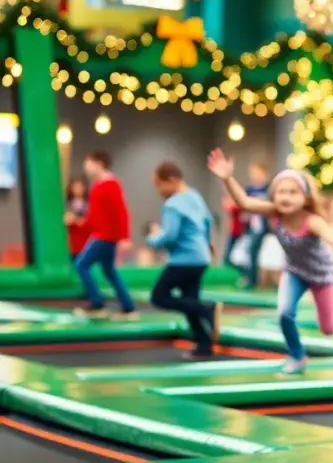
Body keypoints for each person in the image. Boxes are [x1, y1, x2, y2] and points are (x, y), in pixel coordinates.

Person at [207, 150, 333, 374]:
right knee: (284, 313)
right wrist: (226, 178)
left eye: (293, 192)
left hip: (323, 275)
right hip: (295, 272)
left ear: (305, 198)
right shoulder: (275, 212)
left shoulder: (312, 221)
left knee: (328, 327)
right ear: (273, 196)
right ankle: (297, 356)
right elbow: (243, 202)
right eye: (281, 192)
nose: (286, 197)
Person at [146, 161, 224, 360]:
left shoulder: (173, 204)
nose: (158, 191)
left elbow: (170, 236)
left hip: (183, 259)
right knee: (188, 300)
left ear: (171, 180)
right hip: (200, 258)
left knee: (159, 296)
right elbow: (207, 223)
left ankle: (207, 309)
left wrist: (152, 238)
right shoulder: (195, 196)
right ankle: (203, 343)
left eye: (158, 185)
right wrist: (208, 246)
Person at [74, 149, 136, 319]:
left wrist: (125, 237)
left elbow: (121, 211)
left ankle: (96, 302)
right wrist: (82, 225)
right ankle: (128, 306)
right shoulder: (97, 185)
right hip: (100, 235)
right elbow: (94, 215)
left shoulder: (111, 184)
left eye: (89, 164)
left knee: (81, 265)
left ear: (99, 164)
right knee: (109, 271)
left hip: (105, 237)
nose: (86, 168)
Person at [242, 162, 271, 289]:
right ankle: (250, 278)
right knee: (249, 252)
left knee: (255, 252)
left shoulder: (269, 188)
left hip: (263, 226)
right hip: (251, 226)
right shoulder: (249, 189)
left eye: (257, 172)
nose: (254, 175)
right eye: (252, 173)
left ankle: (253, 280)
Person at [64, 176, 90, 263]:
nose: (78, 189)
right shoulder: (67, 204)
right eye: (75, 187)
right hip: (73, 241)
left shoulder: (89, 203)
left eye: (80, 187)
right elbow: (66, 219)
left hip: (86, 239)